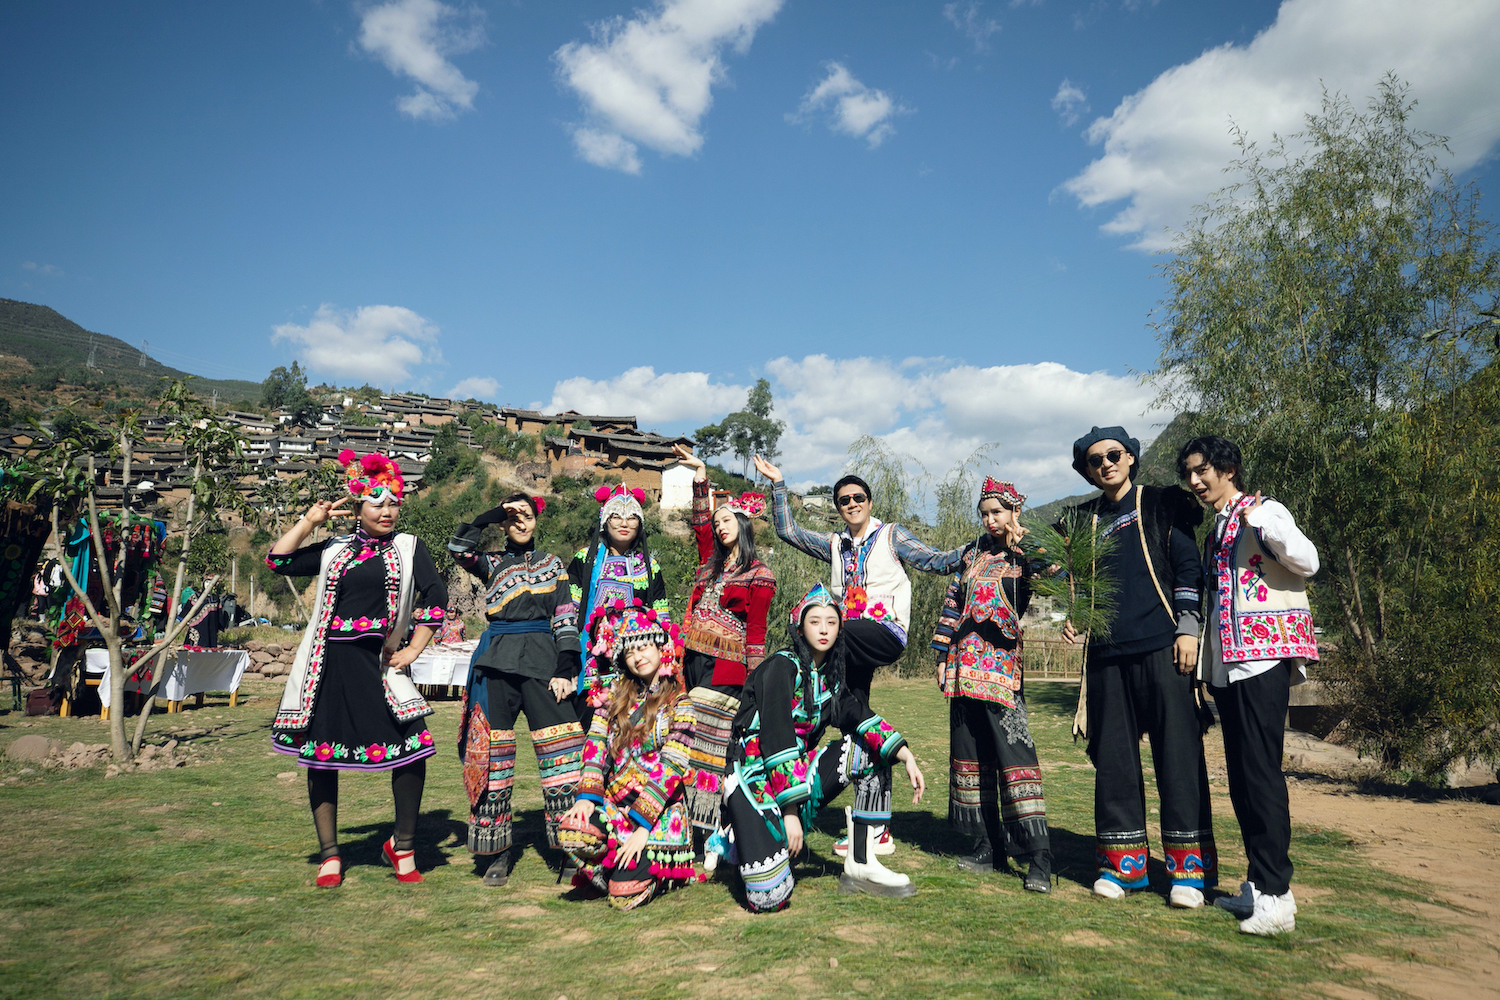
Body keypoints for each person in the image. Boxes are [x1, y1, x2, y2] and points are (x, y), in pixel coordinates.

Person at [754, 454, 966, 859]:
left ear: (870, 502)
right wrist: (778, 483)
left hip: (883, 632)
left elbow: (935, 561)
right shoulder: (834, 544)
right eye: (843, 500)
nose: (851, 504)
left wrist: (979, 546)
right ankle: (874, 828)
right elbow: (788, 531)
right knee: (856, 719)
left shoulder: (891, 536)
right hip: (848, 645)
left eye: (858, 498)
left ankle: (803, 706)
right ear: (837, 507)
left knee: (826, 632)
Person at [267, 450, 447, 888]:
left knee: (412, 750)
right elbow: (278, 560)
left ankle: (403, 845)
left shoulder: (409, 547)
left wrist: (413, 650)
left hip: (381, 667)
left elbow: (436, 596)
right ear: (358, 506)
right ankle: (330, 854)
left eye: (393, 502)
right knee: (323, 758)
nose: (387, 510)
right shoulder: (333, 549)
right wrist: (310, 521)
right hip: (329, 666)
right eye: (376, 502)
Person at [1060, 426, 1215, 908]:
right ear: (1086, 471)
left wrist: (1189, 625)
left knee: (1178, 756)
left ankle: (1189, 873)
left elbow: (1189, 566)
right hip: (1107, 655)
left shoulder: (1162, 502)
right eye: (1094, 460)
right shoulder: (1081, 520)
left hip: (1164, 647)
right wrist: (1077, 614)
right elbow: (1066, 572)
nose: (1104, 464)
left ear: (1131, 458)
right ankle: (1123, 866)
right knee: (1115, 762)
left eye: (1113, 454)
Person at [709, 583, 928, 911]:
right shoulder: (781, 666)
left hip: (791, 776)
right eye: (815, 621)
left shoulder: (831, 678)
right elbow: (776, 738)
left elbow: (859, 716)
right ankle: (735, 836)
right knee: (768, 897)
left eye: (831, 621)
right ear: (800, 626)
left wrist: (906, 755)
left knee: (870, 748)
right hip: (751, 774)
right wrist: (791, 813)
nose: (824, 629)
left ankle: (862, 863)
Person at [1178, 436, 1319, 936]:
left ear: (1228, 468)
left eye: (1202, 471)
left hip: (1263, 659)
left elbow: (1307, 562)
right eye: (1189, 474)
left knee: (1260, 775)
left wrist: (1265, 523)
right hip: (1229, 665)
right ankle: (1259, 886)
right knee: (1241, 775)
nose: (1195, 481)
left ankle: (1279, 897)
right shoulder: (1218, 525)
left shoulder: (1264, 511)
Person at [450, 493, 586, 887]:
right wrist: (492, 514)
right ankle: (496, 852)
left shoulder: (553, 565)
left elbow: (564, 617)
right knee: (495, 757)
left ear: (537, 521)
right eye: (513, 518)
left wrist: (566, 667)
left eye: (527, 516)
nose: (521, 523)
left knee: (562, 755)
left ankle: (573, 848)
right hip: (497, 663)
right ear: (504, 524)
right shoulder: (490, 562)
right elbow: (458, 547)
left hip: (545, 664)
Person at [932, 477, 1052, 892]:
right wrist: (943, 654)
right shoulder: (973, 554)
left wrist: (1029, 543)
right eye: (984, 514)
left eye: (997, 512)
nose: (989, 520)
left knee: (1014, 760)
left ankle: (1038, 859)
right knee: (972, 757)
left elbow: (1058, 571)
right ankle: (988, 847)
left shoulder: (1025, 555)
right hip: (963, 672)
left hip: (1002, 675)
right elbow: (953, 604)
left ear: (1014, 512)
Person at [558, 605, 702, 910]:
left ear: (661, 647)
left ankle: (650, 874)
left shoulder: (680, 703)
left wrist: (642, 829)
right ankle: (610, 867)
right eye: (630, 650)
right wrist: (586, 797)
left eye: (645, 646)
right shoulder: (612, 698)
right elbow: (595, 745)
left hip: (657, 814)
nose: (638, 656)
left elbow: (672, 766)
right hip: (616, 805)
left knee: (625, 895)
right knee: (573, 828)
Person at [671, 443, 777, 837]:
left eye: (726, 519)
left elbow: (757, 632)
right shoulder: (709, 564)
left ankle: (709, 821)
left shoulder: (759, 574)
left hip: (728, 666)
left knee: (711, 739)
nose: (719, 526)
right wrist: (700, 473)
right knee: (688, 733)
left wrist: (754, 680)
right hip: (693, 658)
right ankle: (690, 818)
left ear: (744, 523)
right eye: (717, 523)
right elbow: (699, 523)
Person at [567, 483, 669, 728]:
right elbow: (568, 611)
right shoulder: (585, 559)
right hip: (589, 659)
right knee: (587, 727)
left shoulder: (650, 566)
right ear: (605, 521)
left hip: (634, 658)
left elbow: (661, 616)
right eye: (616, 516)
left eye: (632, 517)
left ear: (640, 524)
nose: (624, 523)